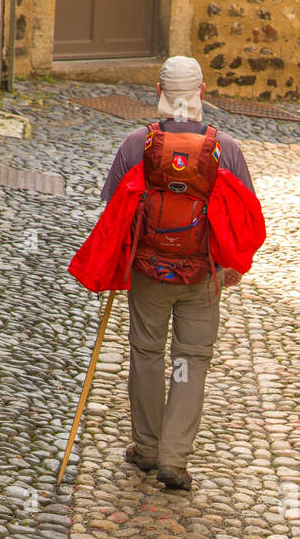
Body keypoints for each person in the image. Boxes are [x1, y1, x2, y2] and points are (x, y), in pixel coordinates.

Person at [101, 56, 255, 491]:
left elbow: (113, 207)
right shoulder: (226, 148)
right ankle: (173, 458)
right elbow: (243, 217)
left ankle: (146, 448)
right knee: (190, 360)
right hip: (201, 274)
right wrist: (231, 267)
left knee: (147, 354)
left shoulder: (137, 143)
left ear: (159, 92)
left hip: (149, 272)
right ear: (202, 92)